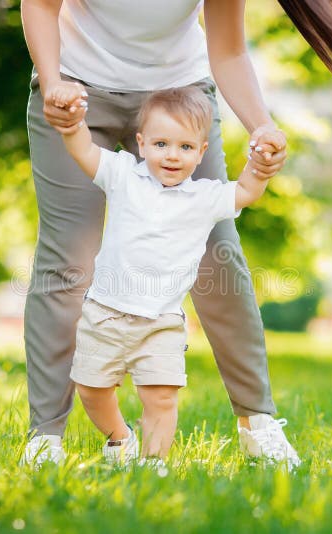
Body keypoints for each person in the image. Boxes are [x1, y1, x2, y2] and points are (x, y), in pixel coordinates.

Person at [18, 0, 332, 468]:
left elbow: (228, 50)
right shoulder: (66, 87)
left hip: (179, 98)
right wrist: (55, 82)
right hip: (74, 90)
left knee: (217, 256)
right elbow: (39, 5)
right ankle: (46, 437)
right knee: (69, 260)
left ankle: (257, 423)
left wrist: (261, 125)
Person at [50, 85, 283, 466]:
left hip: (162, 320)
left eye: (185, 147)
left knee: (161, 396)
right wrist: (74, 124)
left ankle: (152, 462)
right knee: (91, 388)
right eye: (161, 144)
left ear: (201, 152)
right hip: (105, 312)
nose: (172, 156)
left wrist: (259, 166)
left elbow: (246, 191)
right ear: (141, 144)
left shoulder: (204, 197)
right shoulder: (122, 174)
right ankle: (119, 437)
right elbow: (84, 150)